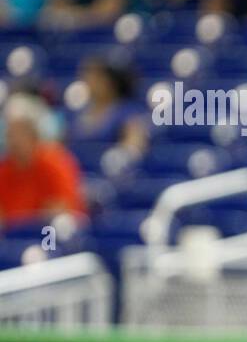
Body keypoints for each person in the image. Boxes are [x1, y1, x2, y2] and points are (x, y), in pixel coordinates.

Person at [0, 95, 85, 227]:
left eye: (20, 132)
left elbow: (64, 209)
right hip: (13, 237)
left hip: (49, 235)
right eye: (10, 134)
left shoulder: (55, 162)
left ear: (34, 134)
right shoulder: (4, 168)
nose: (14, 140)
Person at [65, 54, 149, 155]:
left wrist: (122, 155)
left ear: (110, 82)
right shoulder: (78, 114)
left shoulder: (126, 112)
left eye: (96, 77)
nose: (88, 81)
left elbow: (135, 141)